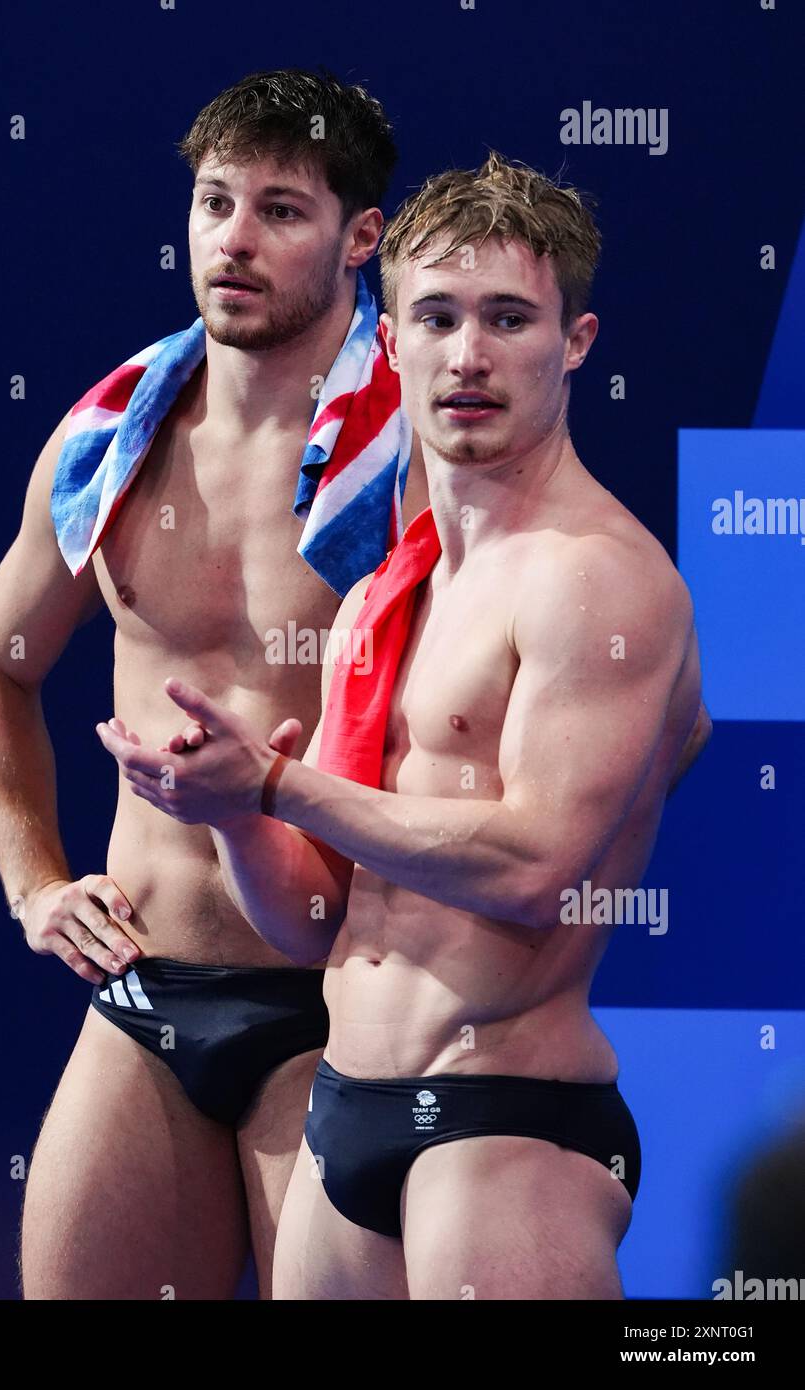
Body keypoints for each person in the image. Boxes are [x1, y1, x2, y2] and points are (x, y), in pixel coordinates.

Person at [96, 152, 712, 1299]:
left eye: (508, 319)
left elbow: (534, 869)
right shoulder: (387, 589)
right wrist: (234, 813)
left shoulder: (596, 581)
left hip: (505, 1129)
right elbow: (313, 918)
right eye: (435, 315)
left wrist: (279, 789)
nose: (467, 355)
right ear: (390, 339)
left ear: (574, 343)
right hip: (346, 1116)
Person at [0, 68, 426, 1300]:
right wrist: (33, 881)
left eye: (280, 209)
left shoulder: (422, 450)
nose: (234, 240)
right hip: (145, 988)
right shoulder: (107, 436)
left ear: (360, 237)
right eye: (215, 203)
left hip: (338, 1008)